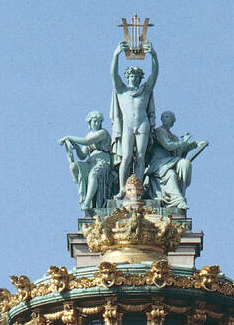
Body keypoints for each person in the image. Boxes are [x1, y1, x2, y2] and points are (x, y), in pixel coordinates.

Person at [110, 40, 158, 195]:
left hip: (142, 124)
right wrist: (116, 54)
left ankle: (136, 190)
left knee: (140, 156)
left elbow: (155, 74)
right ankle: (123, 189)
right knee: (126, 157)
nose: (134, 78)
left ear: (140, 78)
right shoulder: (121, 91)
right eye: (131, 75)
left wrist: (154, 56)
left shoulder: (145, 90)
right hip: (128, 126)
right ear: (127, 77)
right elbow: (113, 74)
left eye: (137, 76)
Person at [145, 111, 207, 210]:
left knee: (185, 164)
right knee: (171, 174)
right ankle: (178, 200)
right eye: (163, 116)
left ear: (173, 121)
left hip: (170, 161)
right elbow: (168, 145)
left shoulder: (173, 136)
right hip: (159, 164)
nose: (164, 118)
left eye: (167, 117)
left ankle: (181, 193)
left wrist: (195, 144)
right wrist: (183, 142)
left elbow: (179, 151)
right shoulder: (159, 131)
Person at [59, 111, 117, 213]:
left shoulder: (102, 133)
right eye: (95, 121)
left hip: (103, 160)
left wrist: (69, 137)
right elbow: (82, 155)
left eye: (99, 122)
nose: (97, 124)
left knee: (93, 175)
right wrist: (76, 147)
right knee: (74, 167)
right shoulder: (89, 134)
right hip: (91, 161)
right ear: (90, 122)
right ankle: (84, 192)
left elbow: (87, 141)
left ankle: (87, 202)